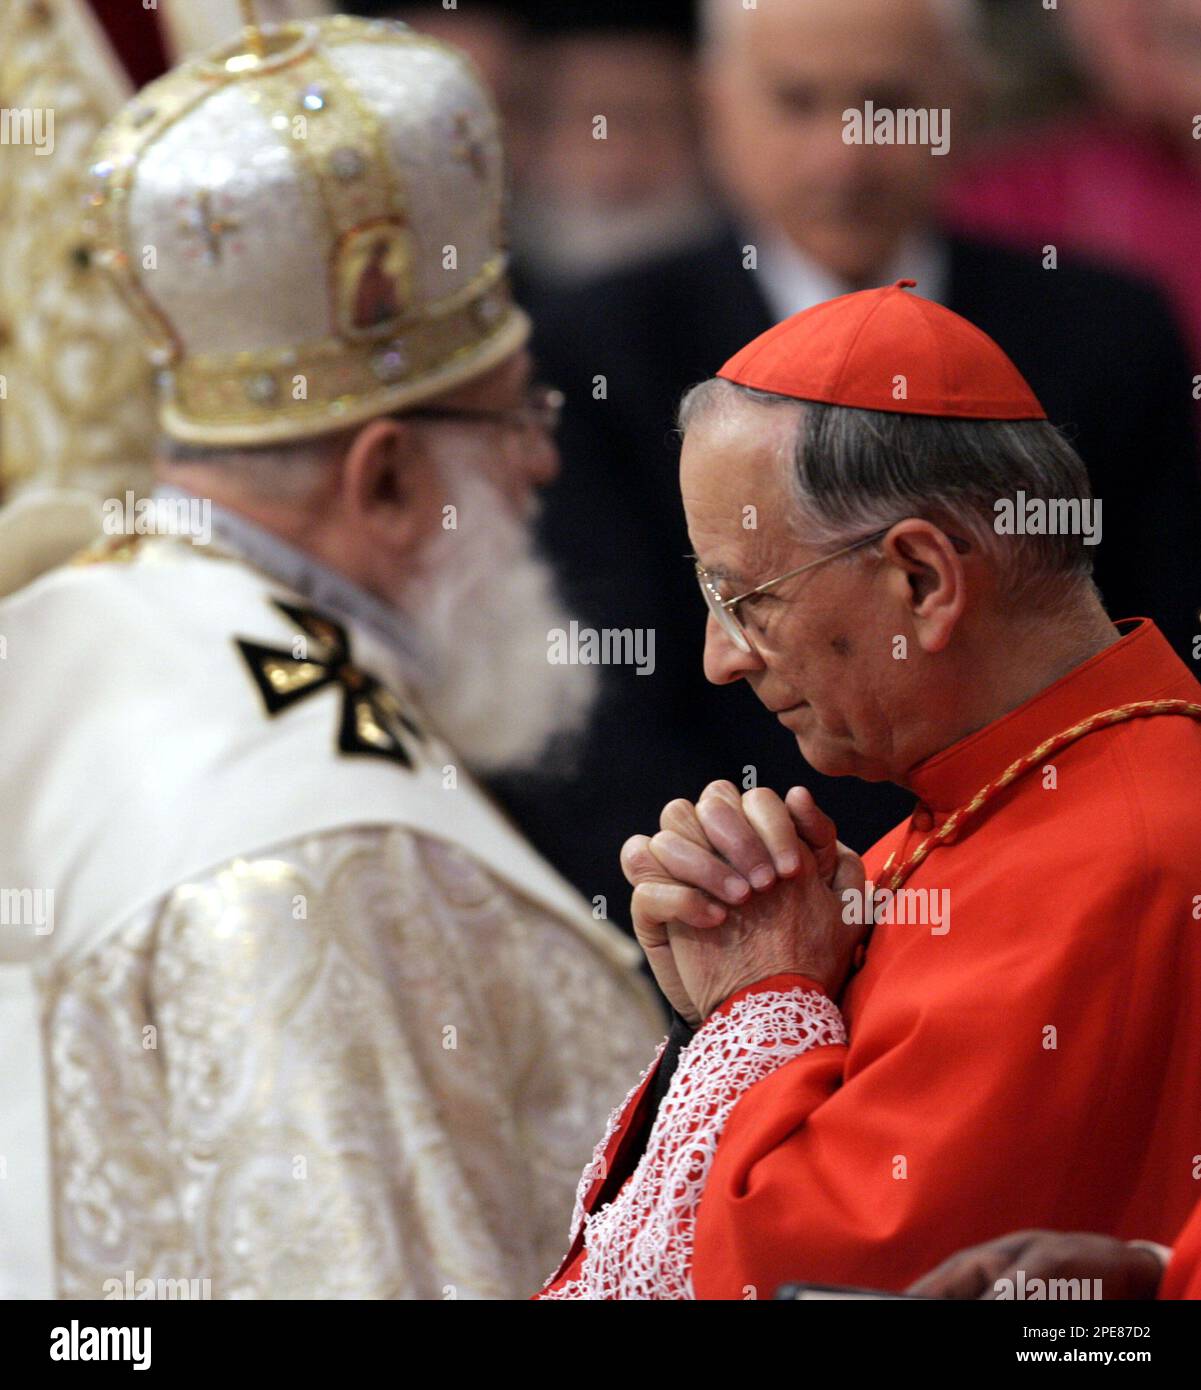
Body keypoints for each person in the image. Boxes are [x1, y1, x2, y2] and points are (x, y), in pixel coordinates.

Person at [0, 12, 661, 1301]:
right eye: (513, 412)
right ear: (391, 476)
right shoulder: (320, 848)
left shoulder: (90, 633)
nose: (540, 458)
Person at [537, 283, 1201, 1300]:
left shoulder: (1117, 857)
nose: (721, 658)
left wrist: (761, 1002)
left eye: (744, 598)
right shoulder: (982, 812)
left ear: (924, 581)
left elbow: (801, 1273)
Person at [497, 0, 1201, 932]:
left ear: (962, 103)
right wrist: (753, 899)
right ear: (714, 104)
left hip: (1066, 891)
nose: (844, 155)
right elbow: (592, 705)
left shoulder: (1104, 330)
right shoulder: (595, 349)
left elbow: (1157, 630)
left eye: (887, 103)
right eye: (797, 102)